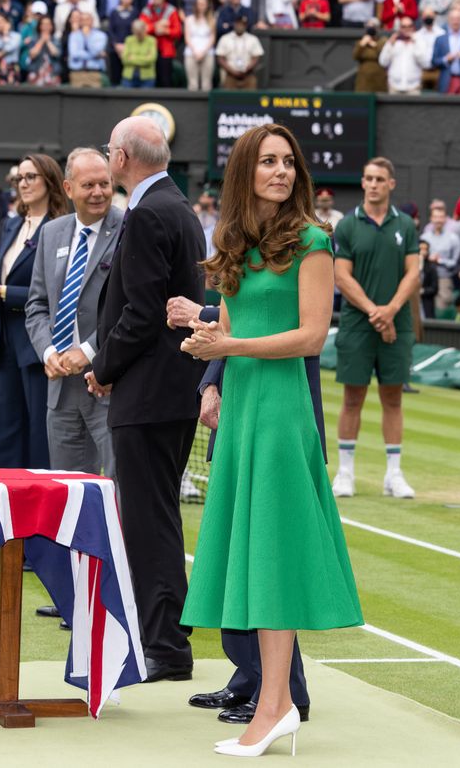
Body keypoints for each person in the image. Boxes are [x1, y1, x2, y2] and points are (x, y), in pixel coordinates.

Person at [179, 123, 362, 758]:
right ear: (246, 174)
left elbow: (312, 336)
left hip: (283, 413)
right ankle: (275, 703)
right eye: (268, 162)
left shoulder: (315, 240)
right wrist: (213, 369)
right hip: (242, 410)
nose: (281, 172)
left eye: (288, 162)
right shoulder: (231, 243)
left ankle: (275, 707)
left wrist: (227, 347)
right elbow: (230, 320)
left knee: (275, 557)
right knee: (250, 554)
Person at [88, 117, 206, 682]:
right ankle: (162, 641)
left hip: (150, 393)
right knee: (156, 517)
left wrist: (103, 367)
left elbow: (141, 311)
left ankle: (164, 647)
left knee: (148, 521)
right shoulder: (176, 207)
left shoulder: (151, 212)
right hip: (169, 390)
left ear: (121, 158)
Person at [22, 148, 121, 485]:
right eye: (88, 185)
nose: (98, 193)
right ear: (67, 188)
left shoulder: (130, 228)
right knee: (66, 490)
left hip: (109, 383)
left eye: (104, 184)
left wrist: (89, 352)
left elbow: (128, 308)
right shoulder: (51, 233)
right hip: (60, 386)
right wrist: (49, 353)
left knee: (122, 487)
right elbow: (36, 305)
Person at [332, 157, 419, 500]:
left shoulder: (406, 226)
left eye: (379, 179)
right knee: (352, 398)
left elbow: (413, 273)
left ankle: (394, 475)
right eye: (367, 178)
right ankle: (345, 473)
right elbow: (341, 275)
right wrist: (375, 312)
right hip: (357, 325)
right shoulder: (348, 226)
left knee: (393, 398)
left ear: (391, 184)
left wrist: (392, 310)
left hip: (397, 324)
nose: (372, 184)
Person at [0, 154, 66, 488]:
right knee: (6, 433)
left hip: (38, 343)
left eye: (32, 177)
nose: (24, 183)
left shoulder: (59, 227)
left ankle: (40, 511)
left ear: (49, 181)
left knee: (38, 435)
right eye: (20, 178)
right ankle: (7, 513)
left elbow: (54, 291)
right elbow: (3, 275)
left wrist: (5, 293)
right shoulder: (12, 224)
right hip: (5, 341)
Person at [140, 0, 181, 87]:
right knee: (150, 81)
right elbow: (142, 29)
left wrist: (166, 31)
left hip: (165, 51)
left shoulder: (171, 10)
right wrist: (156, 26)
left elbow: (177, 31)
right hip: (148, 51)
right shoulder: (146, 10)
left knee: (165, 80)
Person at [431, 6, 460, 93]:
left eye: (458, 19)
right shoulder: (440, 39)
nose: (455, 21)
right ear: (448, 20)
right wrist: (445, 59)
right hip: (447, 80)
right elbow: (434, 61)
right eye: (453, 19)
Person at [378, 15, 426, 94]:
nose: (407, 29)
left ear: (413, 27)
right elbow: (383, 62)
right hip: (394, 87)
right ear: (400, 28)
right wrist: (390, 45)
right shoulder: (392, 42)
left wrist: (415, 43)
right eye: (404, 26)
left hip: (414, 87)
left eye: (409, 26)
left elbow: (425, 63)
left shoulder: (419, 41)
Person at [215, 12, 264, 89]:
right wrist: (232, 71)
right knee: (226, 85)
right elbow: (220, 58)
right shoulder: (225, 38)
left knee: (252, 82)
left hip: (247, 73)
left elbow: (256, 57)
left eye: (243, 24)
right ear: (234, 24)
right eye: (238, 24)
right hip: (230, 73)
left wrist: (247, 69)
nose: (240, 26)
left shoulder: (253, 39)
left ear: (246, 26)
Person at [66, 10, 108, 87]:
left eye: (87, 19)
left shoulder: (101, 35)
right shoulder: (74, 35)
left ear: (92, 21)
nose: (85, 22)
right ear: (80, 22)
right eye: (83, 20)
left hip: (95, 73)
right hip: (77, 73)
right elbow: (74, 54)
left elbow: (96, 51)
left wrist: (87, 36)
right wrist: (96, 56)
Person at [185, 0, 216, 91]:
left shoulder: (212, 20)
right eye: (199, 4)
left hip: (207, 53)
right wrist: (195, 51)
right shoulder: (189, 19)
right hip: (191, 53)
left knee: (206, 84)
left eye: (203, 4)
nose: (201, 6)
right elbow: (187, 37)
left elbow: (212, 37)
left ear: (207, 5)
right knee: (192, 84)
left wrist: (203, 52)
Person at [353, 17, 388, 92]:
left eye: (373, 27)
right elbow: (355, 56)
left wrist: (374, 44)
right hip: (364, 78)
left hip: (379, 77)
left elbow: (384, 55)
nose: (370, 29)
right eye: (368, 27)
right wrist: (362, 44)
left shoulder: (383, 40)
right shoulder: (362, 42)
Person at [120, 17, 157, 87]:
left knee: (146, 98)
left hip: (147, 78)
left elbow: (151, 59)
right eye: (136, 33)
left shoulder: (151, 40)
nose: (138, 35)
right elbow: (124, 59)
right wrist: (144, 58)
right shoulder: (128, 40)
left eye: (140, 33)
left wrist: (133, 58)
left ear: (145, 30)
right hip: (129, 77)